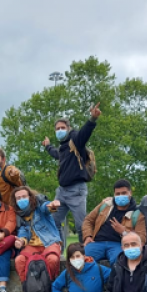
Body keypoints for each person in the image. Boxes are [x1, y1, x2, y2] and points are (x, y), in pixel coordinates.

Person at [42, 102, 102, 248]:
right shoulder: (63, 148)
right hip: (61, 192)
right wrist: (48, 146)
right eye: (57, 129)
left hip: (76, 190)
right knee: (53, 221)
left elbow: (84, 134)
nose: (60, 130)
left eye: (63, 128)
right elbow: (56, 154)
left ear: (69, 129)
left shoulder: (75, 141)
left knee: (81, 225)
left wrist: (92, 119)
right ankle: (58, 251)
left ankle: (84, 253)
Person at [12, 186, 62, 292]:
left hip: (49, 242)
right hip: (32, 246)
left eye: (24, 196)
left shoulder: (39, 206)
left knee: (52, 259)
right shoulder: (21, 215)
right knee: (19, 260)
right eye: (18, 198)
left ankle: (49, 291)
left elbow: (47, 208)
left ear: (30, 197)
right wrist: (21, 241)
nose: (21, 199)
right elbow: (23, 232)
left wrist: (52, 205)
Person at [82, 179, 146, 263]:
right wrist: (88, 236)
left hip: (118, 245)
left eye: (124, 193)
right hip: (97, 242)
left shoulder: (137, 214)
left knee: (119, 262)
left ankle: (110, 276)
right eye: (117, 194)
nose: (120, 196)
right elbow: (88, 220)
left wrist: (124, 232)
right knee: (83, 260)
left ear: (130, 193)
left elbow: (142, 238)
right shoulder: (106, 205)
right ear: (114, 194)